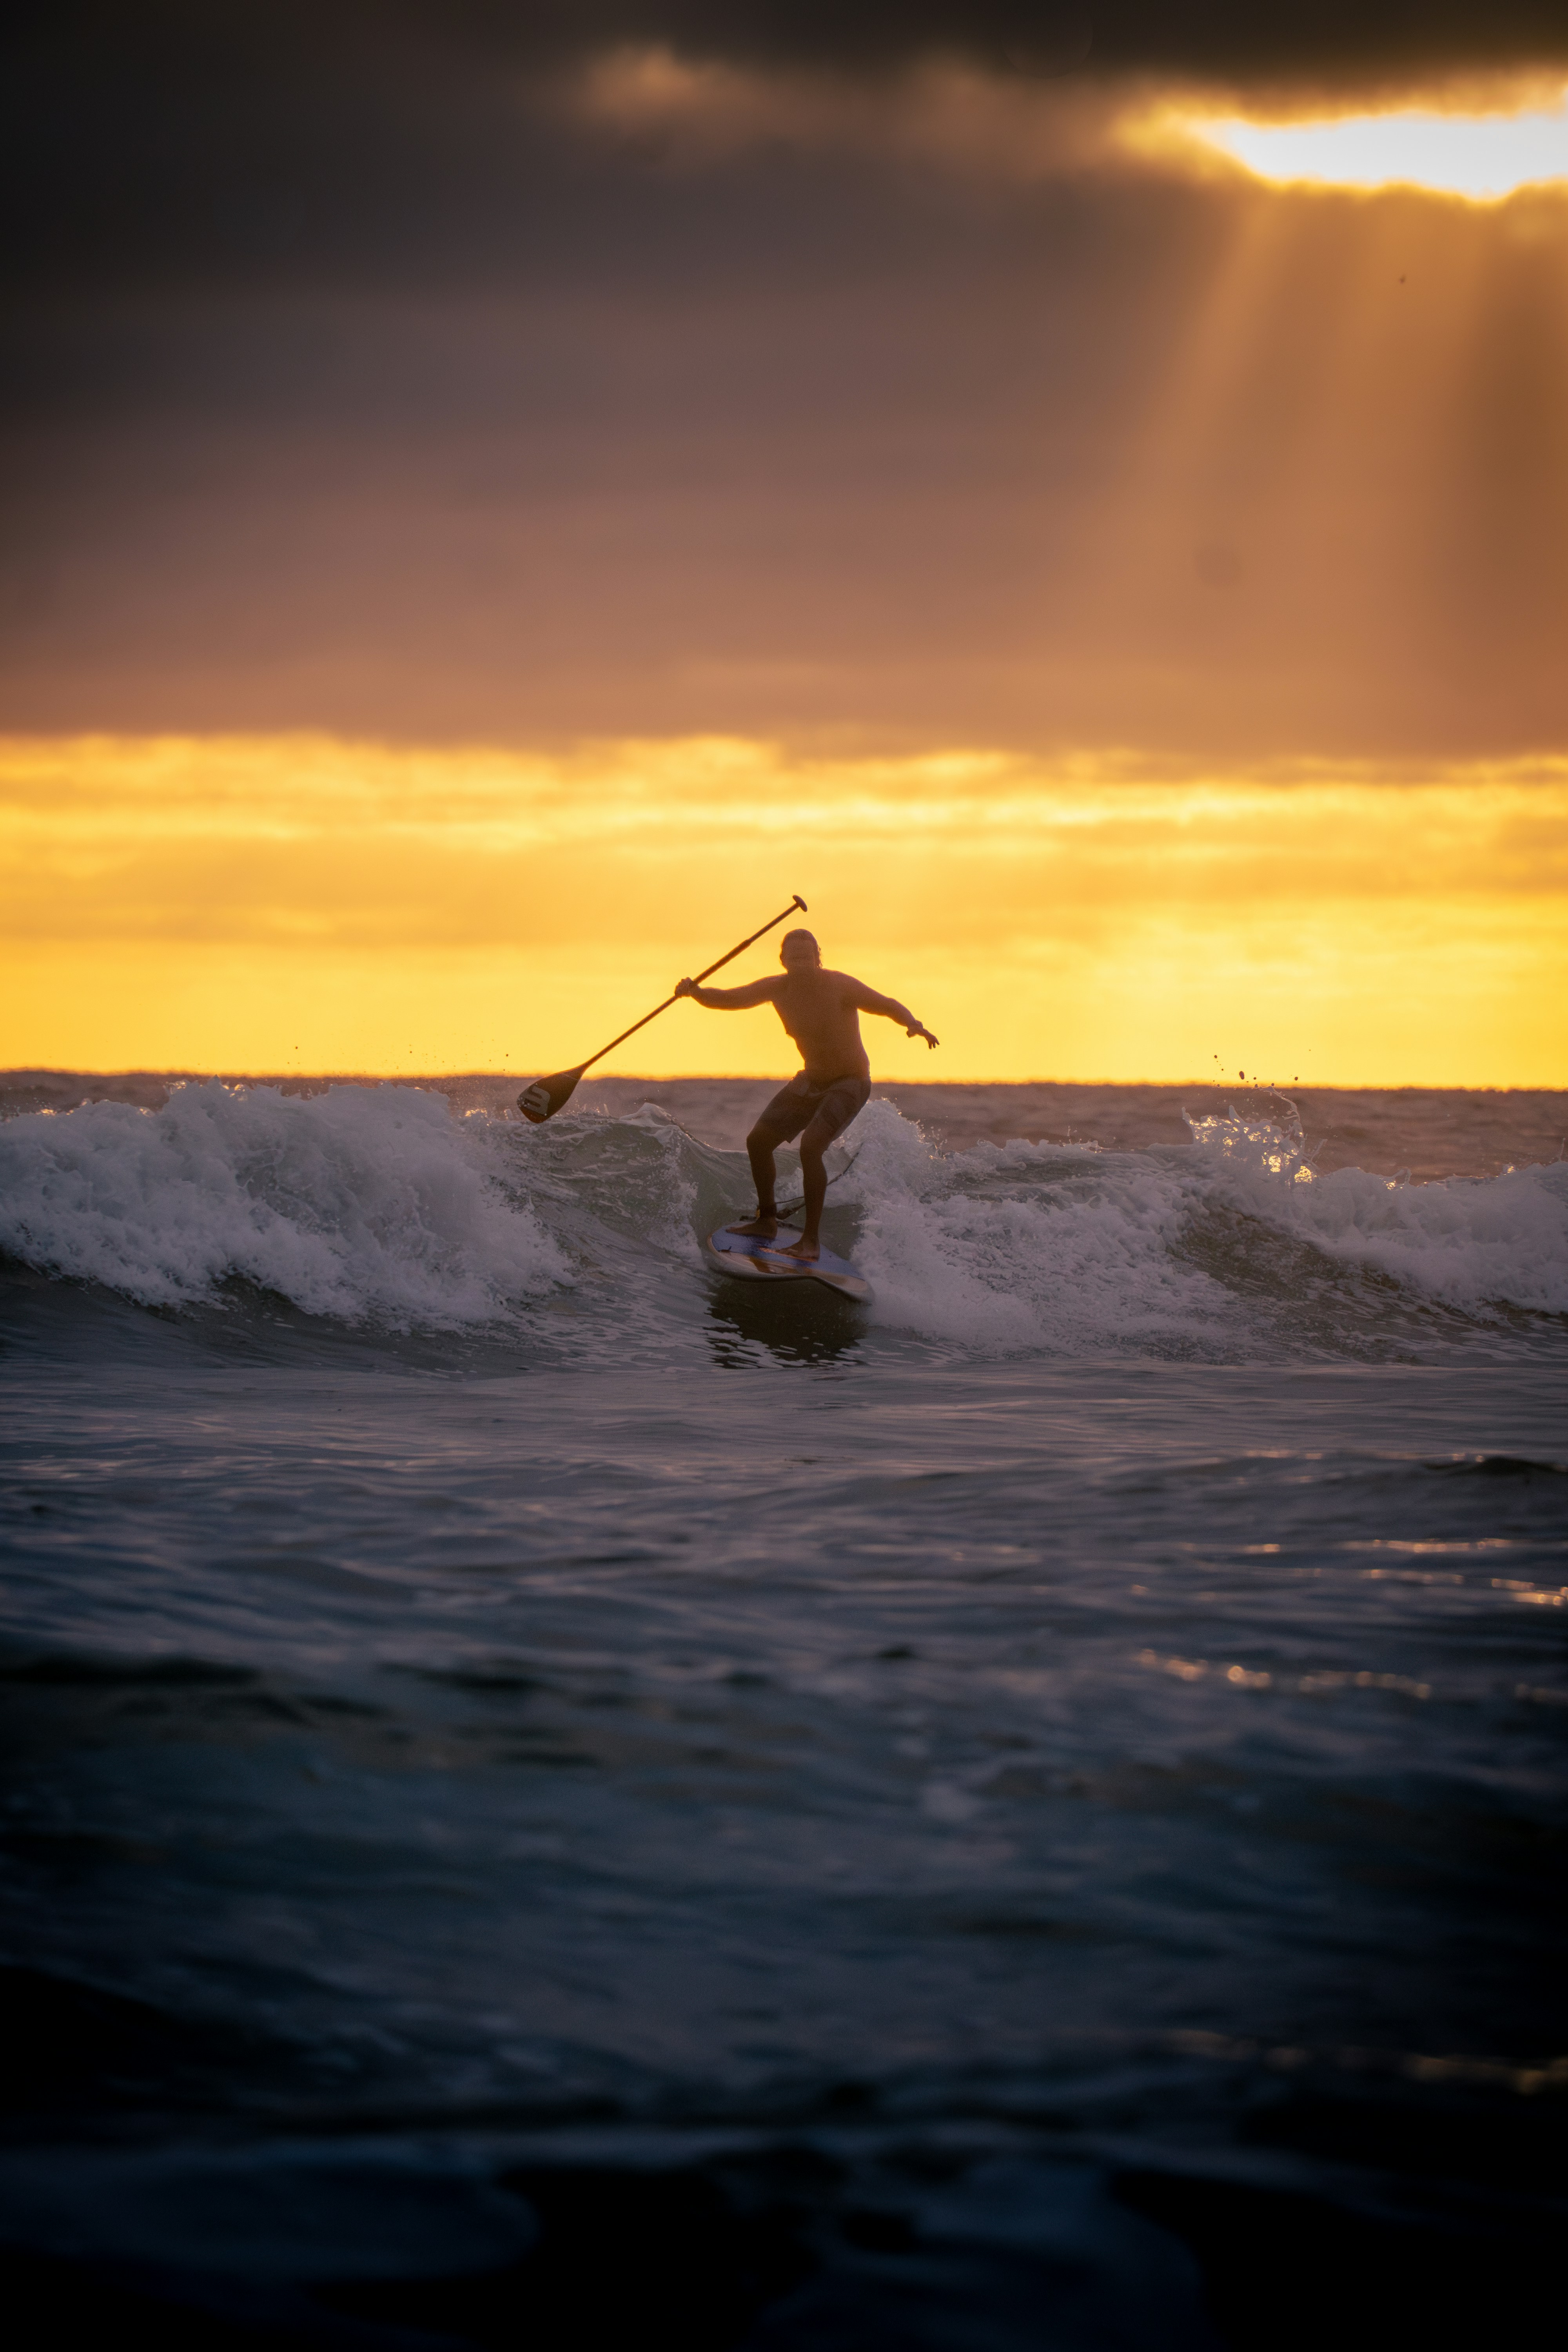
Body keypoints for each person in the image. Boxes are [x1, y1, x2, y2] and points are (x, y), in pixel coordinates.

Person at [675, 928, 938, 1261]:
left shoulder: (840, 985)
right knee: (758, 1142)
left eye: (808, 956)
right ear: (784, 961)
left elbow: (885, 1004)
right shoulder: (776, 988)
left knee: (812, 1147)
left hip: (850, 1081)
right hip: (811, 1081)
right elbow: (731, 998)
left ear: (818, 958)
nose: (801, 962)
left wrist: (912, 1023)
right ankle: (767, 1221)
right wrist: (696, 992)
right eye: (794, 957)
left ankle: (810, 1241)